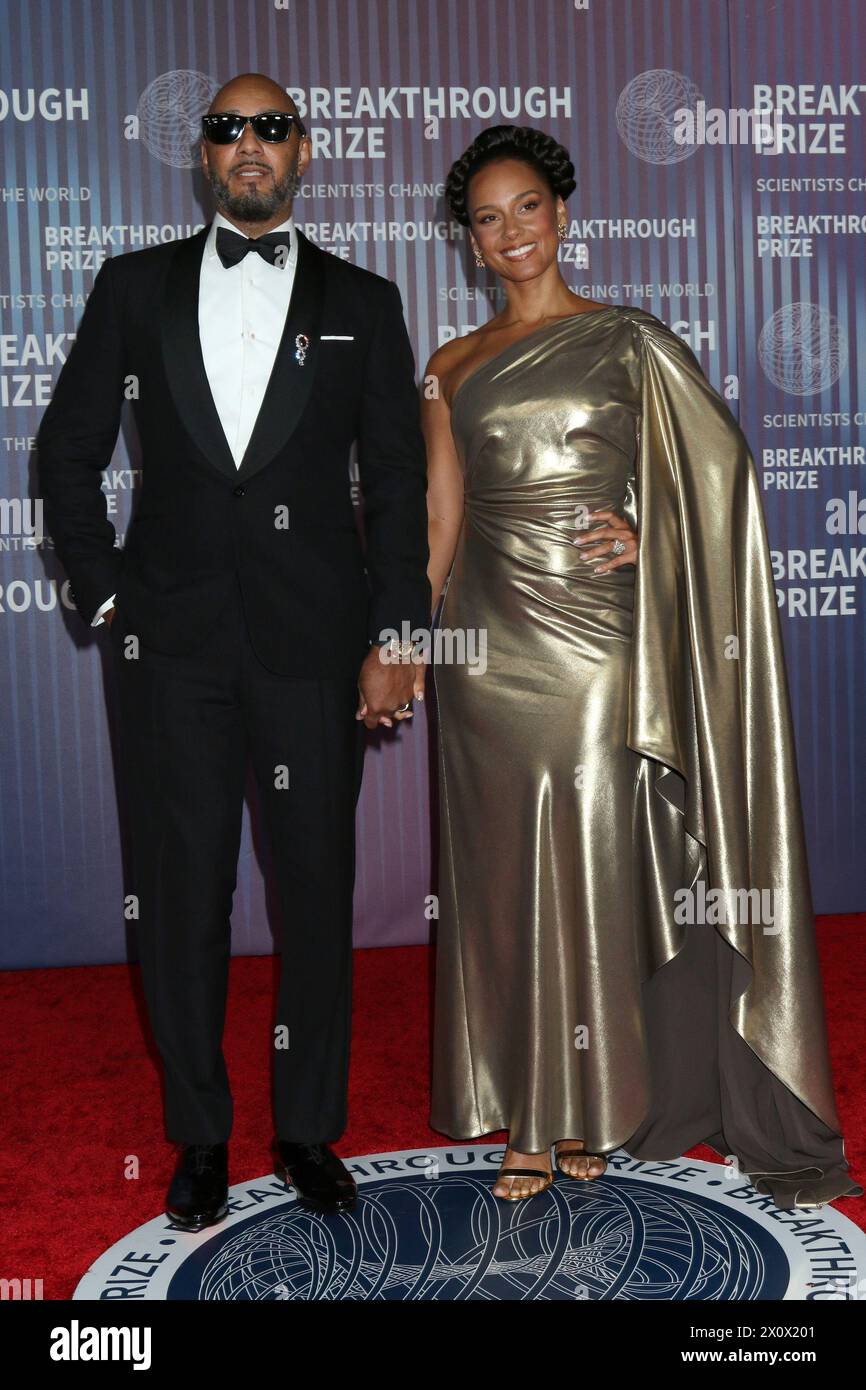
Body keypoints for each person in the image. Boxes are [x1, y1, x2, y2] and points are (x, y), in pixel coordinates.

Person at [420, 124, 862, 1208]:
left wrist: (645, 536)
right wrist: (416, 643)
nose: (511, 230)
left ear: (561, 216)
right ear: (469, 244)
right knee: (496, 879)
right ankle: (531, 1109)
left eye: (527, 207)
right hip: (487, 651)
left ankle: (590, 1103)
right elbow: (439, 521)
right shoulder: (446, 366)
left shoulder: (630, 341)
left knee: (591, 860)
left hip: (595, 645)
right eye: (487, 217)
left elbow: (717, 487)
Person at [37, 72, 430, 1230]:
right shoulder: (133, 287)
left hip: (315, 650)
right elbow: (65, 457)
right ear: (202, 157)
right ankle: (200, 1133)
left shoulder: (365, 297)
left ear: (303, 150)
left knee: (314, 893)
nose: (249, 146)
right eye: (227, 130)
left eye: (269, 128)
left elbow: (397, 484)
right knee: (180, 894)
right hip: (171, 652)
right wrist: (107, 600)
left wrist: (397, 631)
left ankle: (305, 1125)